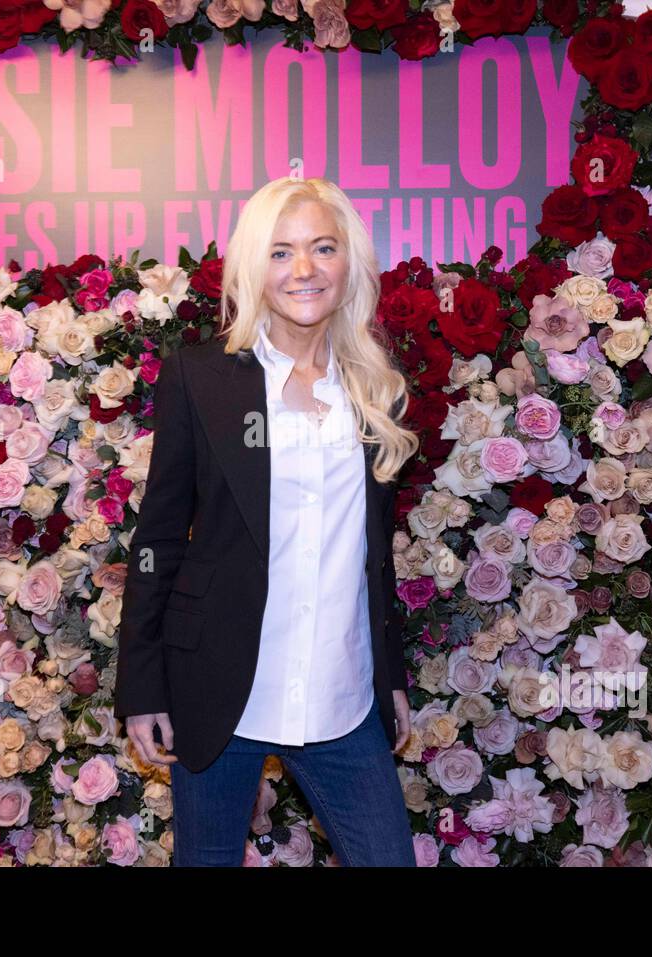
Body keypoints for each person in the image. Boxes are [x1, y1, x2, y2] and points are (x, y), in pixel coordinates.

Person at [113, 176, 421, 866]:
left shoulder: (378, 391)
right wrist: (142, 686)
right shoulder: (201, 377)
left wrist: (390, 674)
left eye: (322, 248)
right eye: (280, 253)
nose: (304, 270)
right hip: (219, 692)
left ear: (350, 262)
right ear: (255, 267)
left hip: (342, 695)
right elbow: (158, 539)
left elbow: (373, 558)